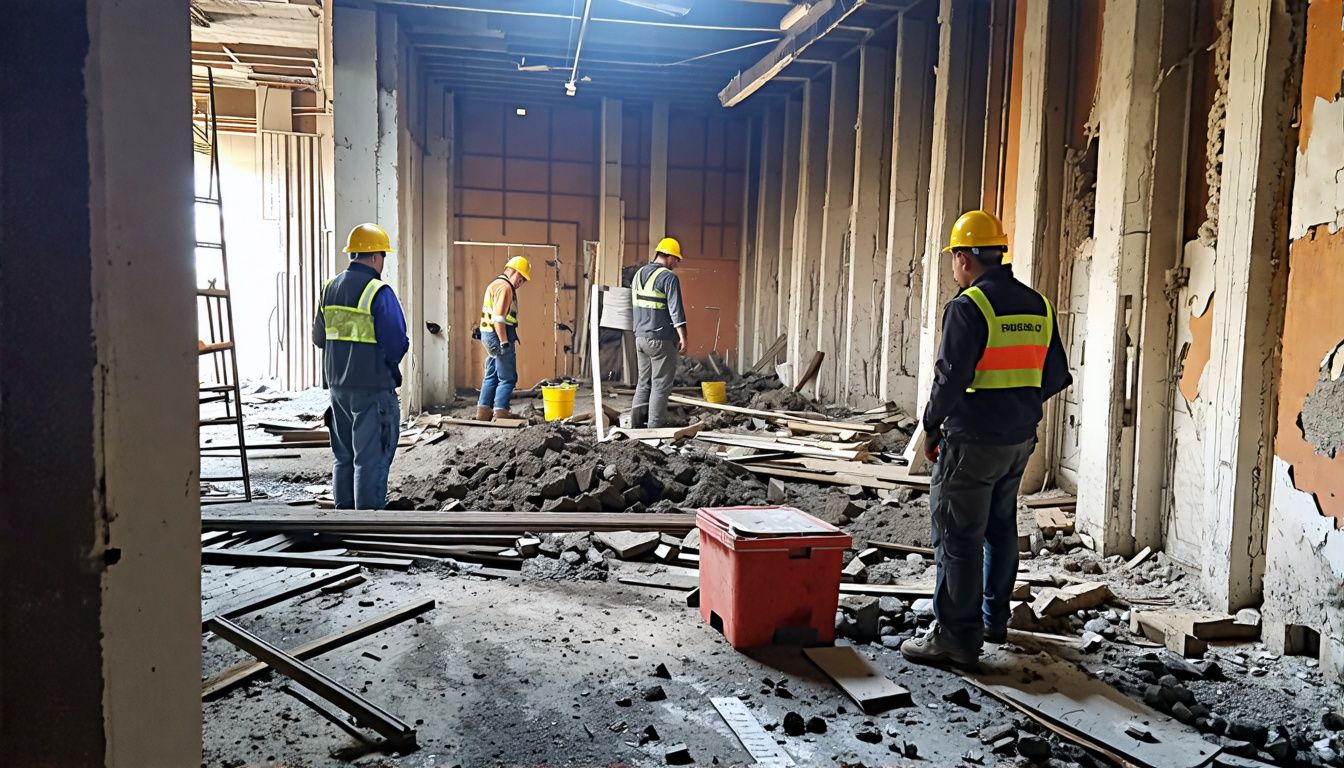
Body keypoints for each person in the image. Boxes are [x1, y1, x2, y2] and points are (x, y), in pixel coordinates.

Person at [900, 210, 1072, 669]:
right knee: (999, 527)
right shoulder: (1039, 304)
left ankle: (956, 636)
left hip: (972, 442)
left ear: (964, 257)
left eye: (954, 258)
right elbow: (1055, 375)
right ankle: (994, 618)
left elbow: (949, 379)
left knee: (957, 535)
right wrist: (1015, 404)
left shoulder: (968, 307)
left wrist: (931, 426)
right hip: (1018, 441)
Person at [311, 223, 409, 510]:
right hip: (372, 389)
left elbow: (319, 338)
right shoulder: (378, 291)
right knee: (370, 459)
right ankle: (368, 528)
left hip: (338, 389)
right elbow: (395, 344)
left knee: (344, 457)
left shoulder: (328, 288)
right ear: (377, 257)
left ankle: (345, 518)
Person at [631, 237, 689, 429]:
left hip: (640, 338)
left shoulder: (638, 274)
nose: (677, 263)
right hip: (660, 340)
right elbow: (676, 310)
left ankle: (636, 427)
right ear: (667, 255)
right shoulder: (668, 277)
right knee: (660, 385)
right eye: (676, 258)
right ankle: (653, 430)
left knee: (643, 383)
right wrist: (683, 338)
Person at [476, 255, 531, 421]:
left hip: (488, 334)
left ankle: (483, 412)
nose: (521, 283)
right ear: (513, 271)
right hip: (498, 335)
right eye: (521, 278)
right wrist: (504, 341)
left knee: (492, 373)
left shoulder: (495, 284)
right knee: (508, 377)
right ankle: (501, 412)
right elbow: (499, 318)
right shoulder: (506, 287)